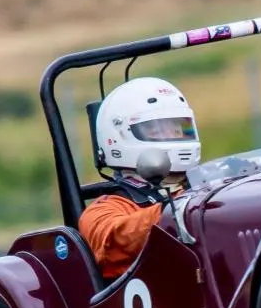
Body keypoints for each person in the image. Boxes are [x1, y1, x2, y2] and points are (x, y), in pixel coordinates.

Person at [79, 76, 202, 280]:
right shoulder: (103, 210)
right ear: (119, 136)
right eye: (157, 130)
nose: (174, 136)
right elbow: (113, 242)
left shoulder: (204, 186)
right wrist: (178, 210)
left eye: (179, 129)